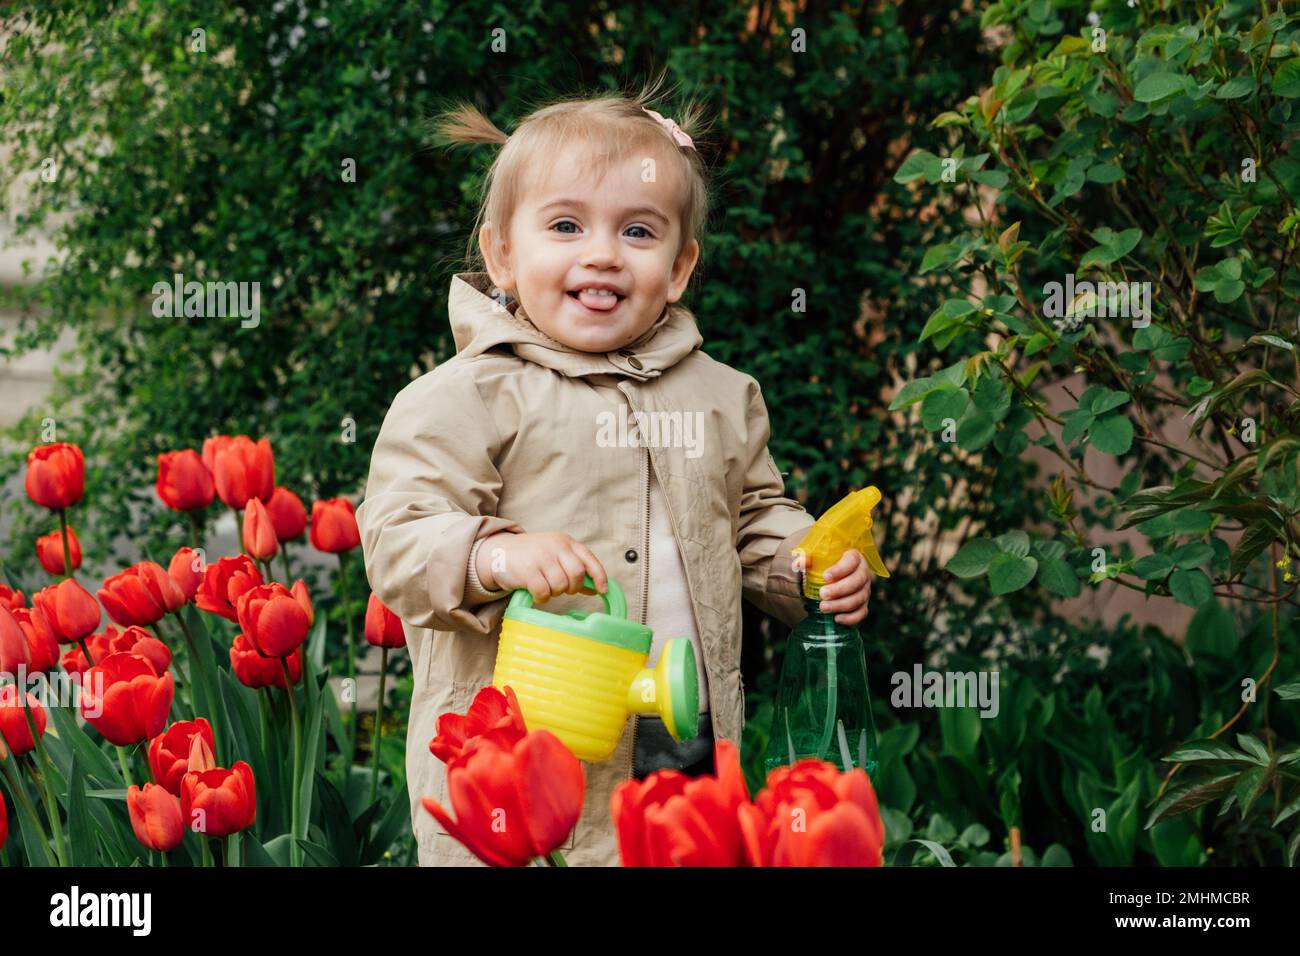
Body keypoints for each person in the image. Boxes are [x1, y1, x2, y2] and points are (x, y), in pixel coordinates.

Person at [356, 78, 873, 866]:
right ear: (503, 253)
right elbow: (398, 535)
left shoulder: (722, 396)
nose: (601, 252)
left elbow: (756, 519)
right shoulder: (465, 395)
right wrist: (494, 554)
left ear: (678, 267)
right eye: (565, 225)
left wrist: (807, 570)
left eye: (638, 231)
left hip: (686, 730)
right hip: (525, 748)